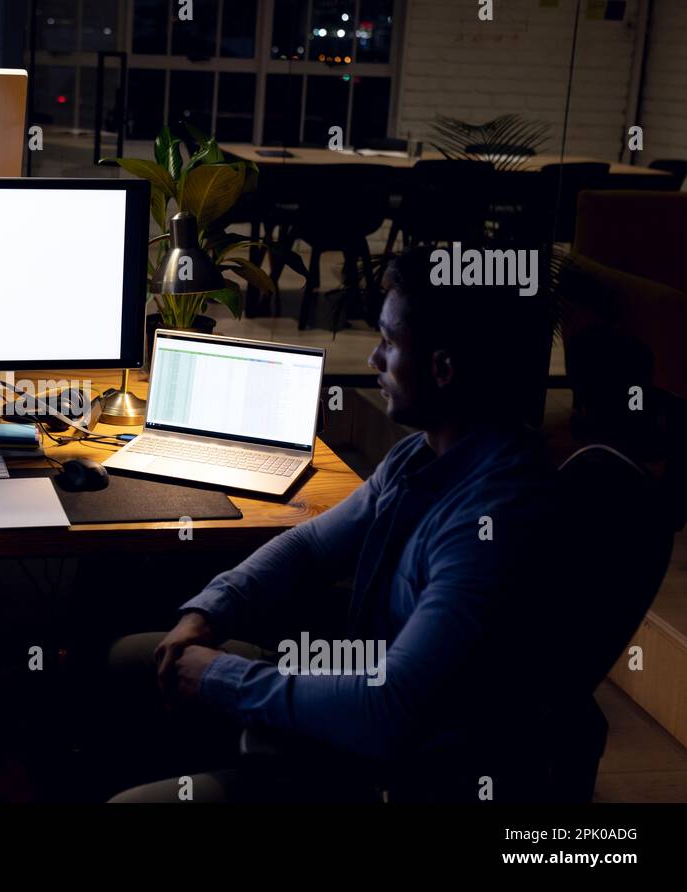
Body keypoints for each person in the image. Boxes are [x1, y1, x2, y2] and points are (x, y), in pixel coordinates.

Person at [108, 247, 569, 802]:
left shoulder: (492, 520)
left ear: (443, 368)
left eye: (390, 343)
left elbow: (389, 708)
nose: (375, 358)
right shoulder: (421, 458)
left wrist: (218, 678)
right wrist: (209, 613)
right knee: (133, 657)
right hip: (358, 694)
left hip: (400, 766)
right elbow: (307, 547)